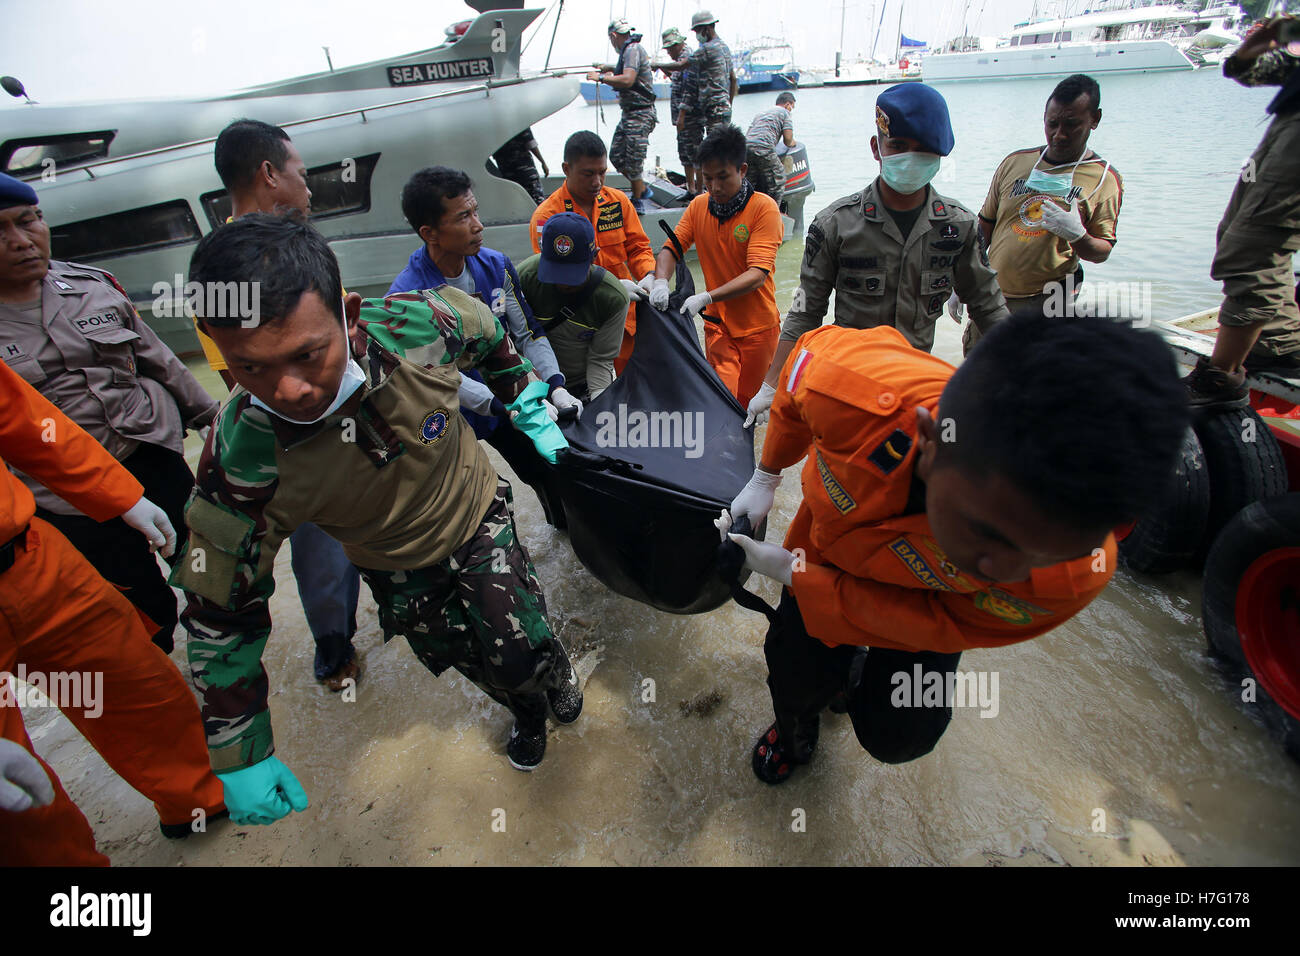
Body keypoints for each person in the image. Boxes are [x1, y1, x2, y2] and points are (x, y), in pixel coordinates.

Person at [177, 214, 583, 826]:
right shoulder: (240, 457)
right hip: (394, 566)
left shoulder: (417, 324)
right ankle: (523, 711)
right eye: (251, 369)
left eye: (307, 355)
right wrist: (240, 751)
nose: (288, 390)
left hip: (474, 516)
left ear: (347, 314)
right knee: (465, 656)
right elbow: (219, 610)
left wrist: (523, 394)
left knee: (519, 644)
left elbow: (488, 328)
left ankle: (549, 682)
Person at [718, 311, 1188, 784]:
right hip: (827, 548)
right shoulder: (851, 387)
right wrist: (768, 474)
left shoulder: (1075, 575)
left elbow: (941, 624)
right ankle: (796, 730)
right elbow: (799, 372)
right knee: (794, 675)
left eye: (1039, 553)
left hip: (928, 604)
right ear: (929, 442)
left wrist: (803, 581)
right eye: (987, 531)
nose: (1001, 570)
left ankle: (852, 675)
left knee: (901, 731)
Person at [0, 357, 226, 864]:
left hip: (29, 555)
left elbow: (26, 420)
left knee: (137, 683)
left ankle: (198, 800)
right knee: (18, 806)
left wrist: (122, 495)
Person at [0, 172, 216, 654]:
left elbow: (159, 359)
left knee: (206, 565)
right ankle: (161, 678)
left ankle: (222, 660)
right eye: (0, 233)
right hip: (67, 496)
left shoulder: (92, 286)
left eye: (28, 221)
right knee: (136, 605)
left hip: (150, 453)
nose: (21, 241)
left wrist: (212, 419)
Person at [744, 83, 1009, 427]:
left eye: (923, 150)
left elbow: (989, 306)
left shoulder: (958, 227)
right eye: (898, 146)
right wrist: (771, 384)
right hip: (846, 389)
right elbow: (805, 312)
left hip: (915, 393)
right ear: (876, 147)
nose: (910, 158)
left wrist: (1023, 367)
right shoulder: (835, 225)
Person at [207, 119, 362, 691]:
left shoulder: (308, 245)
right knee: (319, 550)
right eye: (301, 174)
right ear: (270, 174)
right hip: (293, 433)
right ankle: (334, 645)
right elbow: (236, 373)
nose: (310, 187)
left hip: (352, 411)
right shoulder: (221, 266)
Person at [389, 166, 578, 529]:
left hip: (509, 394)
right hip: (450, 410)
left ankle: (564, 532)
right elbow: (434, 375)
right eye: (463, 217)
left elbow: (528, 333)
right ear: (429, 233)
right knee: (466, 499)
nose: (478, 224)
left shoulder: (496, 265)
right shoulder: (407, 296)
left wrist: (555, 384)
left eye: (475, 211)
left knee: (546, 471)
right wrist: (500, 405)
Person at [1184, 17, 1300, 408]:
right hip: (1288, 121)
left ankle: (1222, 376)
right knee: (1236, 230)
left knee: (1253, 244)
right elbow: (1247, 70)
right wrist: (1260, 45)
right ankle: (1279, 341)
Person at [968, 74, 1123, 354]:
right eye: (1052, 124)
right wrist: (965, 277)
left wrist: (1078, 236)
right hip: (993, 297)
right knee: (980, 380)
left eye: (1072, 125)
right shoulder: (1015, 163)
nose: (1059, 134)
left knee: (1036, 383)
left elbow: (1102, 251)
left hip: (1050, 301)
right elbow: (985, 225)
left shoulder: (1104, 179)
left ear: (1095, 119)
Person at [649, 125, 783, 408]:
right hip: (718, 328)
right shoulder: (698, 207)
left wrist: (708, 296)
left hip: (759, 330)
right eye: (707, 178)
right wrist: (660, 281)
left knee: (752, 405)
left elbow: (757, 275)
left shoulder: (764, 209)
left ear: (742, 170)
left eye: (723, 177)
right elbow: (671, 248)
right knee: (721, 402)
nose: (715, 187)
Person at [532, 131, 657, 374]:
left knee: (634, 385)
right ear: (566, 169)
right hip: (580, 321)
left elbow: (638, 247)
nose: (597, 181)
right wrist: (611, 285)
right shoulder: (547, 217)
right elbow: (553, 277)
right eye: (588, 173)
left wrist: (649, 275)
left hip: (625, 318)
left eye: (602, 172)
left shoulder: (618, 202)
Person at [517, 212, 630, 402]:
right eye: (555, 272)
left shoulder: (612, 298)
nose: (562, 282)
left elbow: (600, 359)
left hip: (581, 385)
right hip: (530, 382)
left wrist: (599, 400)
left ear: (595, 257)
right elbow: (514, 338)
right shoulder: (524, 278)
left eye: (571, 274)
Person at [587, 19, 657, 211]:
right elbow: (624, 70)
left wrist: (601, 78)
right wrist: (608, 68)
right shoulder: (627, 52)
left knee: (634, 160)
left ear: (613, 36)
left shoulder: (633, 49)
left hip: (641, 114)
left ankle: (638, 201)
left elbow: (627, 79)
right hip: (629, 114)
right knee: (616, 156)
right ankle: (641, 188)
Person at [656, 26, 705, 197]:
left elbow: (690, 89)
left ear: (678, 45)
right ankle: (691, 189)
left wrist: (682, 116)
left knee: (696, 154)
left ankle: (699, 191)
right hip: (681, 118)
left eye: (670, 49)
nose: (669, 52)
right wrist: (663, 68)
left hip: (691, 117)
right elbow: (677, 78)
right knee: (684, 153)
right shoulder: (679, 64)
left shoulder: (688, 58)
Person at [746, 92, 797, 208]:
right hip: (764, 146)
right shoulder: (785, 113)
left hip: (746, 147)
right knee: (779, 179)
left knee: (750, 183)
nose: (791, 110)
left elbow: (749, 134)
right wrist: (794, 142)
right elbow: (788, 140)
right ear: (788, 104)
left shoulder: (761, 114)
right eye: (792, 107)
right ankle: (772, 213)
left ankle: (747, 211)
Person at [690, 10, 737, 136]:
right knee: (723, 145)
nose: (697, 35)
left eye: (697, 31)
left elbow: (682, 65)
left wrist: (657, 65)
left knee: (717, 150)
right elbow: (733, 79)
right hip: (724, 109)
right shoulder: (724, 47)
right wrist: (728, 104)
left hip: (714, 110)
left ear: (706, 29)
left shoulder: (707, 48)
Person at [492, 127, 548, 204]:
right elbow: (531, 143)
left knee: (518, 203)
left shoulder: (492, 126)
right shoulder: (518, 121)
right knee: (538, 203)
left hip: (507, 173)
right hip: (526, 171)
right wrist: (543, 162)